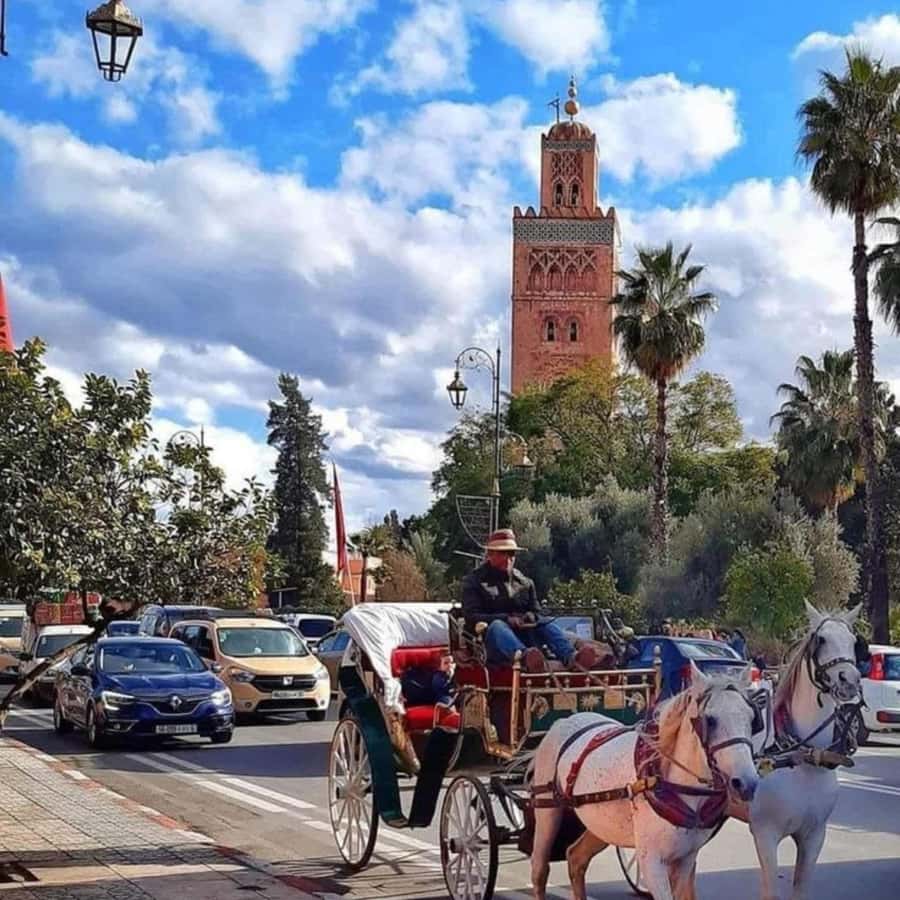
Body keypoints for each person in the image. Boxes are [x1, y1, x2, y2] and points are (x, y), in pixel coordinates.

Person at [461, 529, 597, 674]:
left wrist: (530, 616)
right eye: (503, 553)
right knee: (497, 626)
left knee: (546, 622)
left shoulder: (525, 582)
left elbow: (536, 611)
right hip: (491, 642)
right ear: (490, 555)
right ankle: (527, 659)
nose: (508, 558)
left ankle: (571, 657)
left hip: (526, 636)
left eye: (511, 554)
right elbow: (471, 617)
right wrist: (506, 619)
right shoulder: (474, 581)